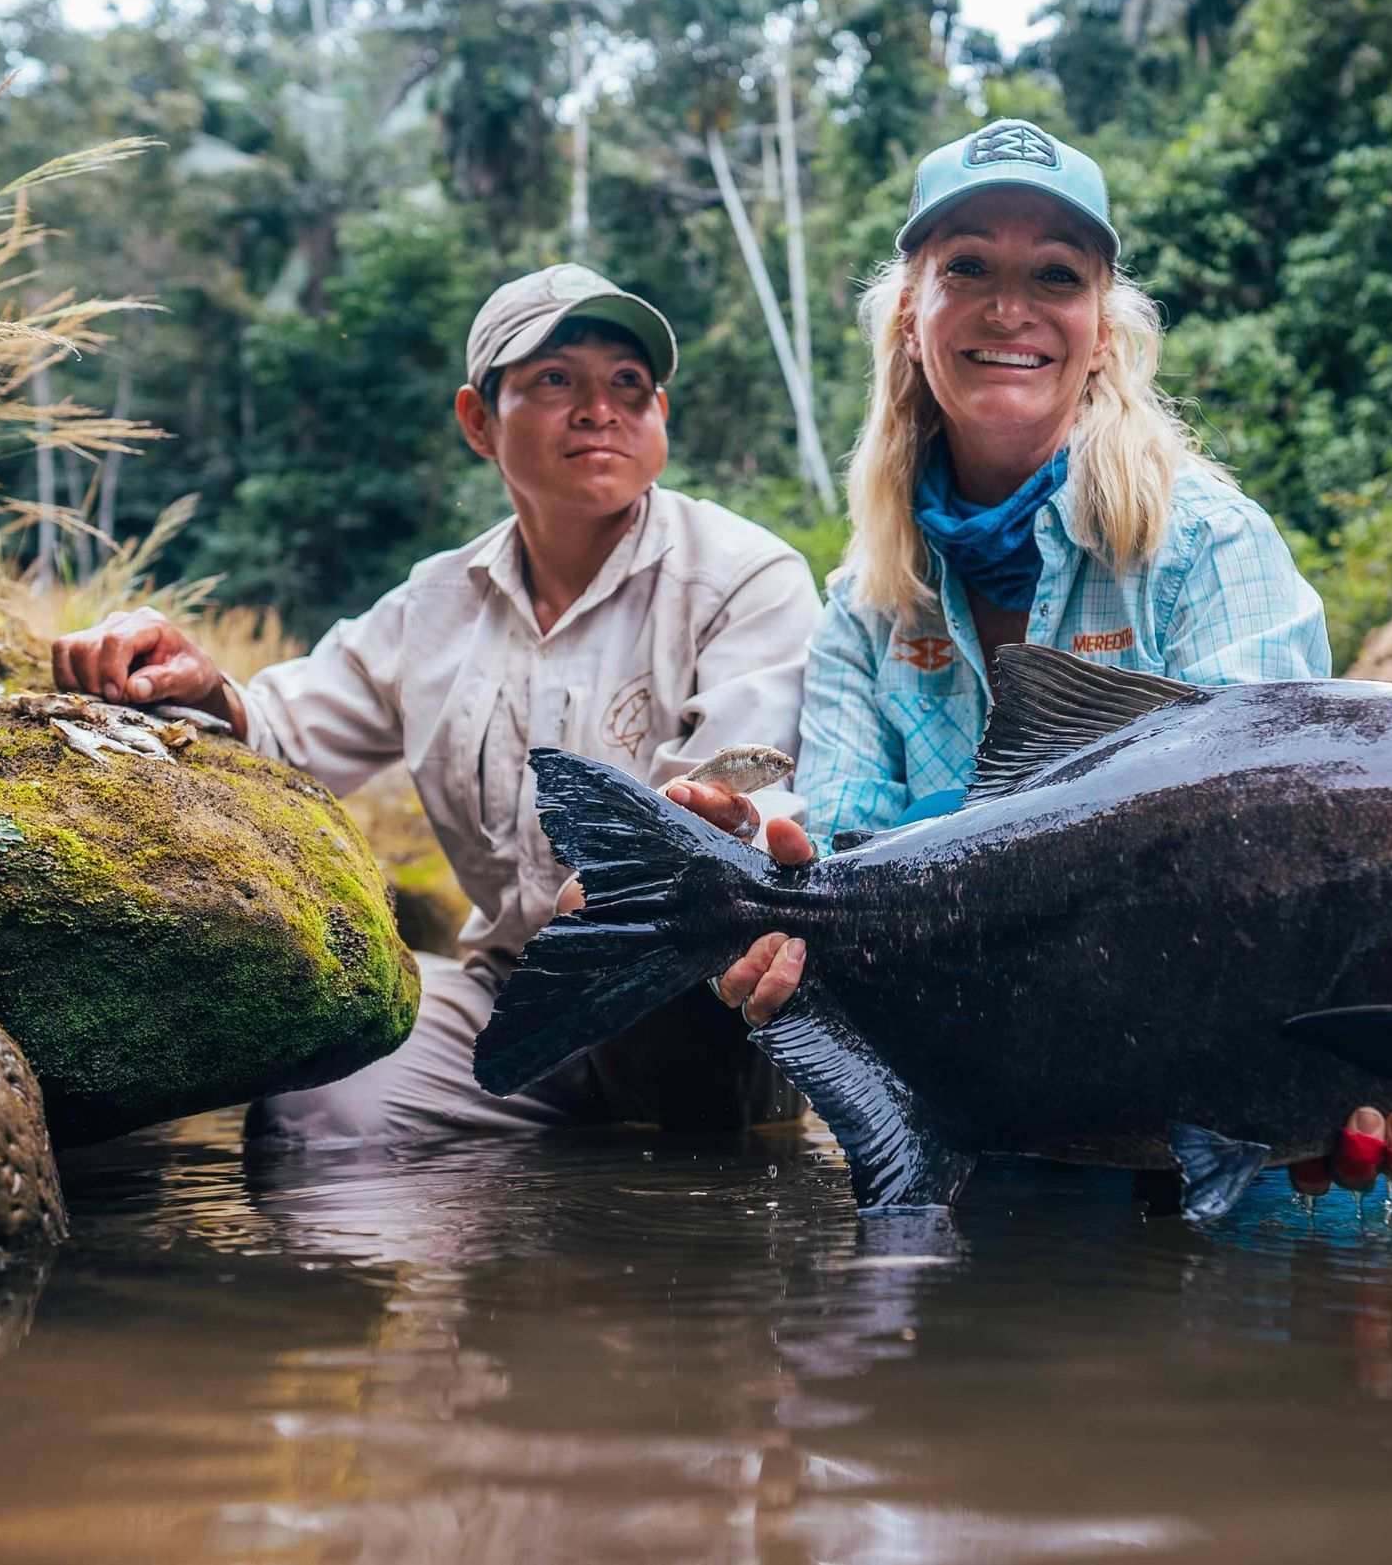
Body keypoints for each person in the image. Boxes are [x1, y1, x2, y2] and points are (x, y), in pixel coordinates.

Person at [656, 118, 1392, 1195]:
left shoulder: (1209, 544)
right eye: (964, 266)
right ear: (910, 323)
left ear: (1102, 332)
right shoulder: (861, 611)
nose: (1009, 308)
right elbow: (834, 865)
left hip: (1243, 1134)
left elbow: (1279, 852)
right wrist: (756, 883)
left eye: (1054, 276)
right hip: (995, 1144)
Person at [51, 264, 820, 1143]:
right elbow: (276, 735)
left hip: (705, 998)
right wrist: (192, 680)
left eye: (629, 385)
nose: (599, 408)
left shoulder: (744, 577)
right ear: (478, 421)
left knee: (639, 943)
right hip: (512, 987)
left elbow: (751, 828)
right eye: (555, 379)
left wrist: (677, 855)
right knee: (313, 1118)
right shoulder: (433, 604)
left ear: (661, 422)